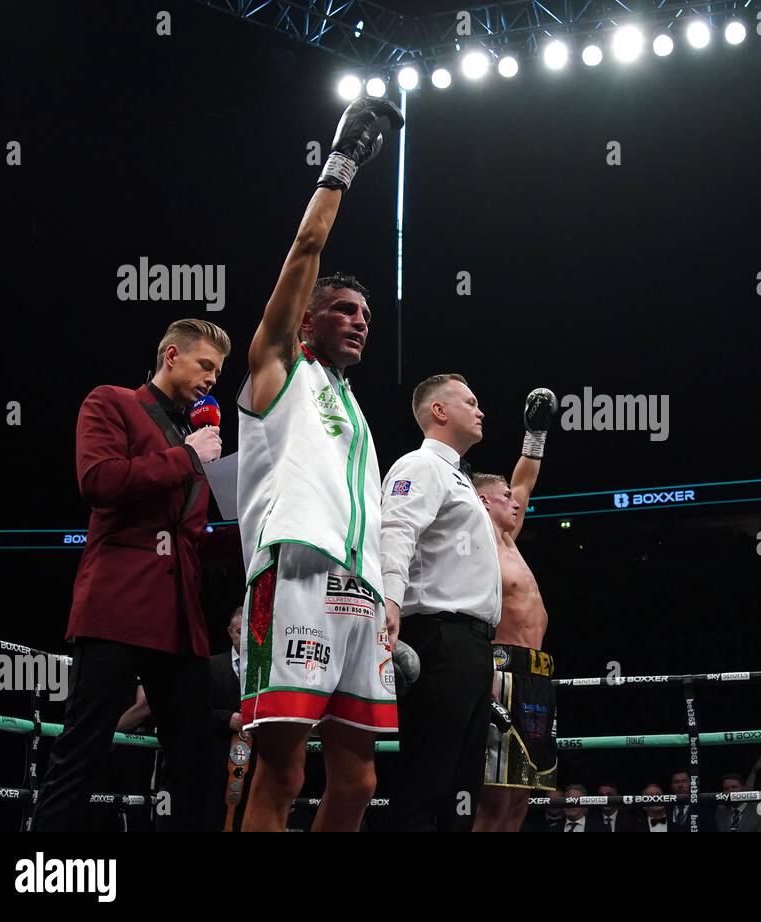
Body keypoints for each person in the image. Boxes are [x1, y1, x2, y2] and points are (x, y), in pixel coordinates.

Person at [236, 94, 404, 832]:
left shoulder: (354, 409)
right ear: (306, 320)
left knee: (360, 780)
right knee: (283, 768)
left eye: (366, 316)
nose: (359, 322)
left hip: (359, 591)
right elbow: (305, 255)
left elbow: (373, 513)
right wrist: (342, 166)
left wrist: (388, 593)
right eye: (343, 311)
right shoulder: (279, 372)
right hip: (296, 573)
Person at [32, 318, 231, 832]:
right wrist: (186, 456)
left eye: (218, 371)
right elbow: (98, 480)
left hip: (180, 619)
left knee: (196, 760)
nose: (212, 379)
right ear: (171, 356)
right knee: (84, 750)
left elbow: (187, 539)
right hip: (117, 606)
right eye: (204, 365)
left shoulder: (195, 437)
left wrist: (255, 528)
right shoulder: (112, 401)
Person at [381, 374, 501, 831]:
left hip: (470, 643)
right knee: (428, 780)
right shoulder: (420, 465)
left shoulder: (459, 478)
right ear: (439, 411)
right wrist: (389, 601)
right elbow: (395, 531)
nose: (480, 410)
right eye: (469, 402)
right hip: (439, 636)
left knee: (461, 787)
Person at [472, 389, 561, 832]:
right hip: (500, 668)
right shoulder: (478, 544)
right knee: (495, 796)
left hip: (536, 672)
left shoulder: (509, 542)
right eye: (505, 495)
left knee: (524, 795)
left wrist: (536, 433)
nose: (516, 499)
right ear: (485, 502)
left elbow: (525, 481)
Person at [204, 607, 253, 831]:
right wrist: (227, 718)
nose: (245, 638)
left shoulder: (267, 669)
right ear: (230, 632)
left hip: (256, 760)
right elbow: (195, 710)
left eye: (251, 632)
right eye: (240, 631)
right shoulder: (211, 665)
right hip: (216, 759)